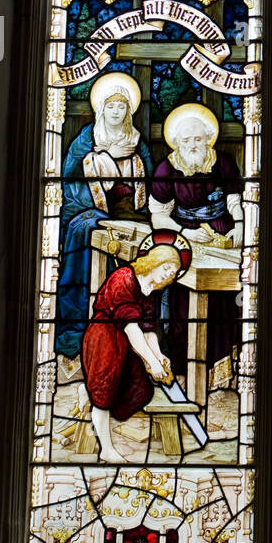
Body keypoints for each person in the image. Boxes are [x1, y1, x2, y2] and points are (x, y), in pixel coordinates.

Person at [55, 72, 152, 362]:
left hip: (131, 216)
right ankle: (79, 328)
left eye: (121, 107)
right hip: (89, 212)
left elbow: (151, 184)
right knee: (83, 234)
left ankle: (135, 332)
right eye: (110, 106)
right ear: (101, 109)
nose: (116, 111)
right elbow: (67, 178)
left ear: (128, 111)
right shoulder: (86, 140)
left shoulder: (137, 141)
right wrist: (101, 156)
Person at [149, 103, 242, 379]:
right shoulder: (167, 169)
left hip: (220, 234)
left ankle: (221, 371)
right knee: (184, 306)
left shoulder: (222, 162)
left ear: (207, 140)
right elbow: (158, 217)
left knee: (224, 301)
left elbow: (234, 201)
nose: (193, 145)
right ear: (177, 141)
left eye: (198, 139)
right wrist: (185, 233)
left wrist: (239, 224)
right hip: (184, 237)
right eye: (187, 140)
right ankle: (185, 369)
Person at [82, 244, 183, 464]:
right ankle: (106, 449)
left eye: (173, 272)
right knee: (104, 391)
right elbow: (131, 327)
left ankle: (94, 403)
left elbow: (147, 329)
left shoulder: (149, 291)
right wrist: (150, 362)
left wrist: (158, 357)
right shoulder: (124, 278)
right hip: (106, 337)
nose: (169, 274)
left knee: (140, 389)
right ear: (154, 261)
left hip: (128, 342)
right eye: (167, 266)